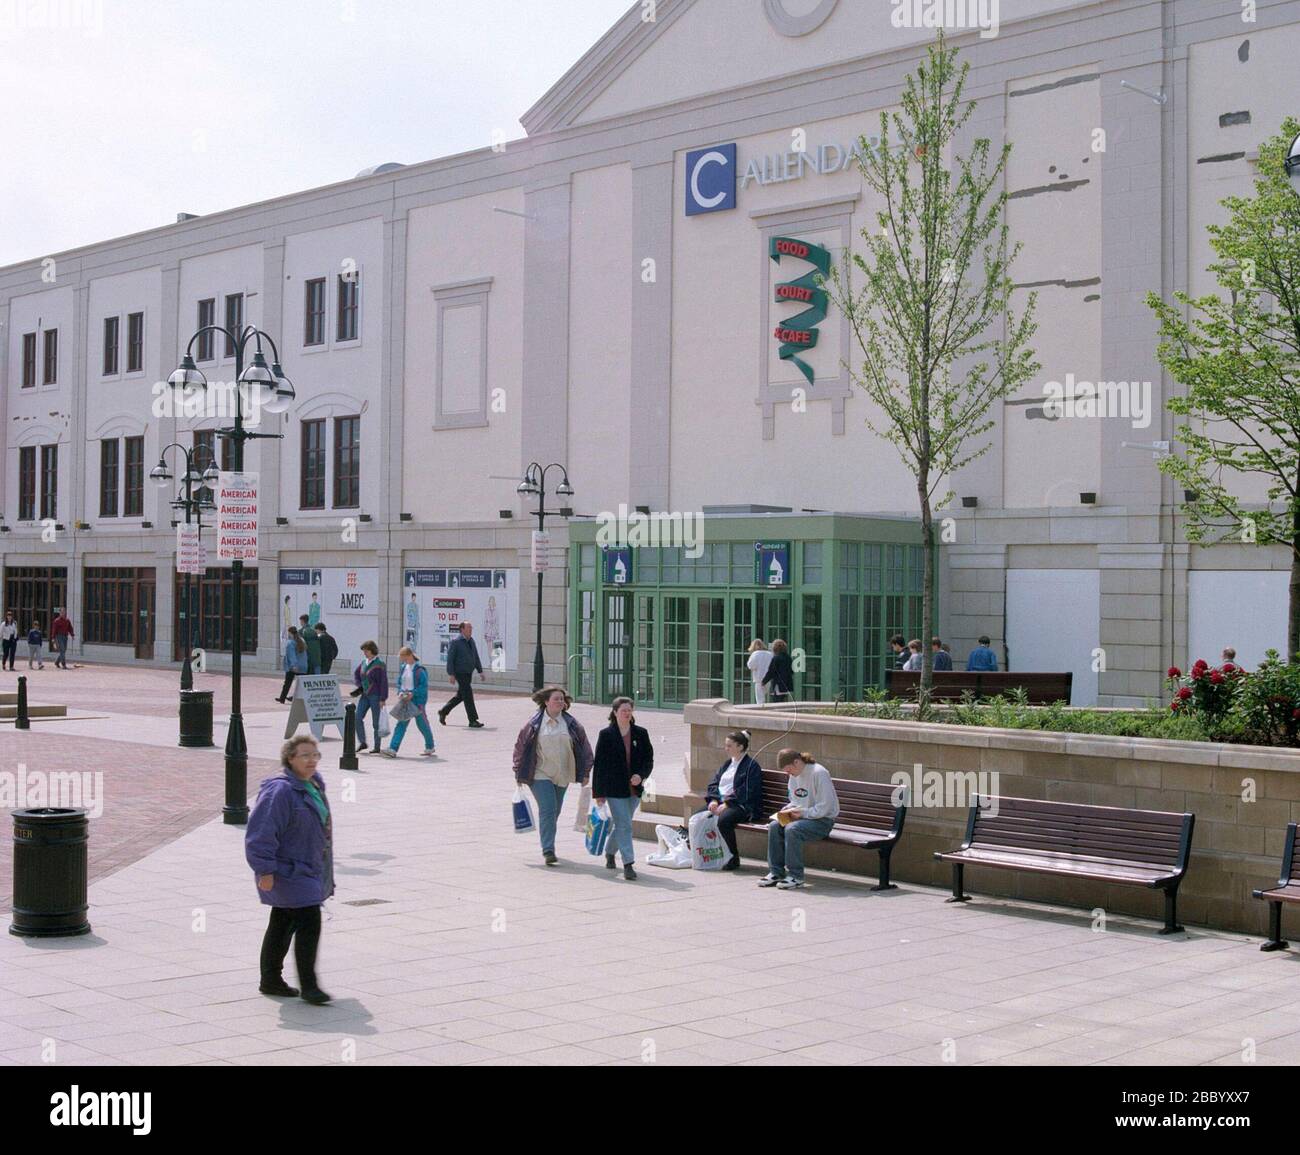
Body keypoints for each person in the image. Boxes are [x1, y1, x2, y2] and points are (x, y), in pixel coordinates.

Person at [244, 735, 334, 1005]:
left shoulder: (313, 785)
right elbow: (260, 833)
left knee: (282, 920)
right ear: (290, 758)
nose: (311, 760)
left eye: (315, 755)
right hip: (288, 870)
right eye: (304, 755)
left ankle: (270, 979)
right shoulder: (280, 791)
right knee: (309, 922)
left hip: (308, 867)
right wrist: (265, 870)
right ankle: (310, 986)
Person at [511, 686, 594, 866]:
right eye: (556, 699)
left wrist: (585, 772)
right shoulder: (533, 724)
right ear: (546, 702)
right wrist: (518, 770)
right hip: (540, 773)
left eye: (562, 699)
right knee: (548, 809)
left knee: (555, 811)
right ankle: (548, 849)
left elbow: (585, 748)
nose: (560, 702)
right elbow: (520, 747)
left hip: (563, 774)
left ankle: (547, 838)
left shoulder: (572, 724)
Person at [759, 749, 840, 891]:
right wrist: (787, 810)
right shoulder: (794, 776)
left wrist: (802, 813)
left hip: (822, 821)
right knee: (774, 826)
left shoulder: (819, 773)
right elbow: (795, 800)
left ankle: (796, 876)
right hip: (803, 817)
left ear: (797, 762)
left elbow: (826, 807)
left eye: (789, 770)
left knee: (792, 829)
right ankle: (776, 872)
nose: (789, 774)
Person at [592, 696, 654, 880]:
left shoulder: (641, 733)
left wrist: (641, 776)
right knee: (625, 825)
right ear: (615, 712)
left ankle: (610, 851)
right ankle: (628, 863)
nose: (627, 713)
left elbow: (648, 759)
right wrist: (599, 793)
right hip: (614, 788)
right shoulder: (606, 735)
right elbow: (600, 765)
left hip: (634, 789)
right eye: (623, 710)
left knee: (622, 824)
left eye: (629, 710)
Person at [695, 729, 764, 871]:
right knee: (697, 817)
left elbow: (747, 791)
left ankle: (733, 857)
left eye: (729, 746)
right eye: (726, 745)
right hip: (722, 802)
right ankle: (701, 854)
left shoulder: (752, 766)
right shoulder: (727, 764)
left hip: (742, 805)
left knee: (724, 820)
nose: (726, 749)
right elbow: (714, 783)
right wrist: (713, 800)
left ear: (740, 747)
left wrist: (727, 803)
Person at [382, 646, 436, 758]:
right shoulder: (404, 668)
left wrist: (413, 693)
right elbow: (399, 682)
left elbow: (423, 686)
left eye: (404, 658)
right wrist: (401, 692)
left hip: (417, 701)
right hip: (405, 699)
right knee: (401, 723)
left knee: (422, 724)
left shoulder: (419, 670)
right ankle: (393, 748)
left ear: (410, 655)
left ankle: (430, 745)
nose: (403, 661)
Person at [439, 621, 484, 728]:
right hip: (460, 672)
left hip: (468, 672)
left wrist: (480, 670)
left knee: (461, 696)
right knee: (468, 695)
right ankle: (473, 720)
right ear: (462, 629)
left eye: (471, 627)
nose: (471, 629)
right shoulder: (456, 642)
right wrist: (451, 674)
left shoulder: (471, 641)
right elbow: (450, 659)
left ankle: (443, 711)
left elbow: (475, 657)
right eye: (468, 627)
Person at [352, 641, 388, 754]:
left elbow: (383, 682)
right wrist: (359, 685)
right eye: (364, 651)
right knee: (357, 717)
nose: (365, 653)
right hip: (364, 695)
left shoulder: (379, 664)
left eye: (366, 651)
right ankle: (362, 742)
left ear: (372, 650)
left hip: (376, 695)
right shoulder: (364, 663)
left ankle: (377, 746)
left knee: (376, 722)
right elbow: (357, 674)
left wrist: (383, 698)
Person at [278, 626, 308, 702]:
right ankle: (300, 698)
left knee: (287, 683)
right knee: (301, 684)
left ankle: (282, 698)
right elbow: (305, 654)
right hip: (303, 665)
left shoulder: (290, 643)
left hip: (293, 666)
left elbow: (292, 655)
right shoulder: (302, 640)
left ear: (290, 633)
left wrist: (294, 665)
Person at [762, 638, 794, 703]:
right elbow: (791, 671)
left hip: (778, 684)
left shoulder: (776, 658)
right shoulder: (788, 658)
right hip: (787, 684)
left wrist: (764, 681)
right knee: (784, 702)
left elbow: (771, 672)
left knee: (776, 702)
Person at [746, 639, 773, 705]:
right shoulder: (770, 654)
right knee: (766, 696)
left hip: (759, 679)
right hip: (768, 679)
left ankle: (762, 713)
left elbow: (750, 665)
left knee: (760, 700)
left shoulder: (755, 654)